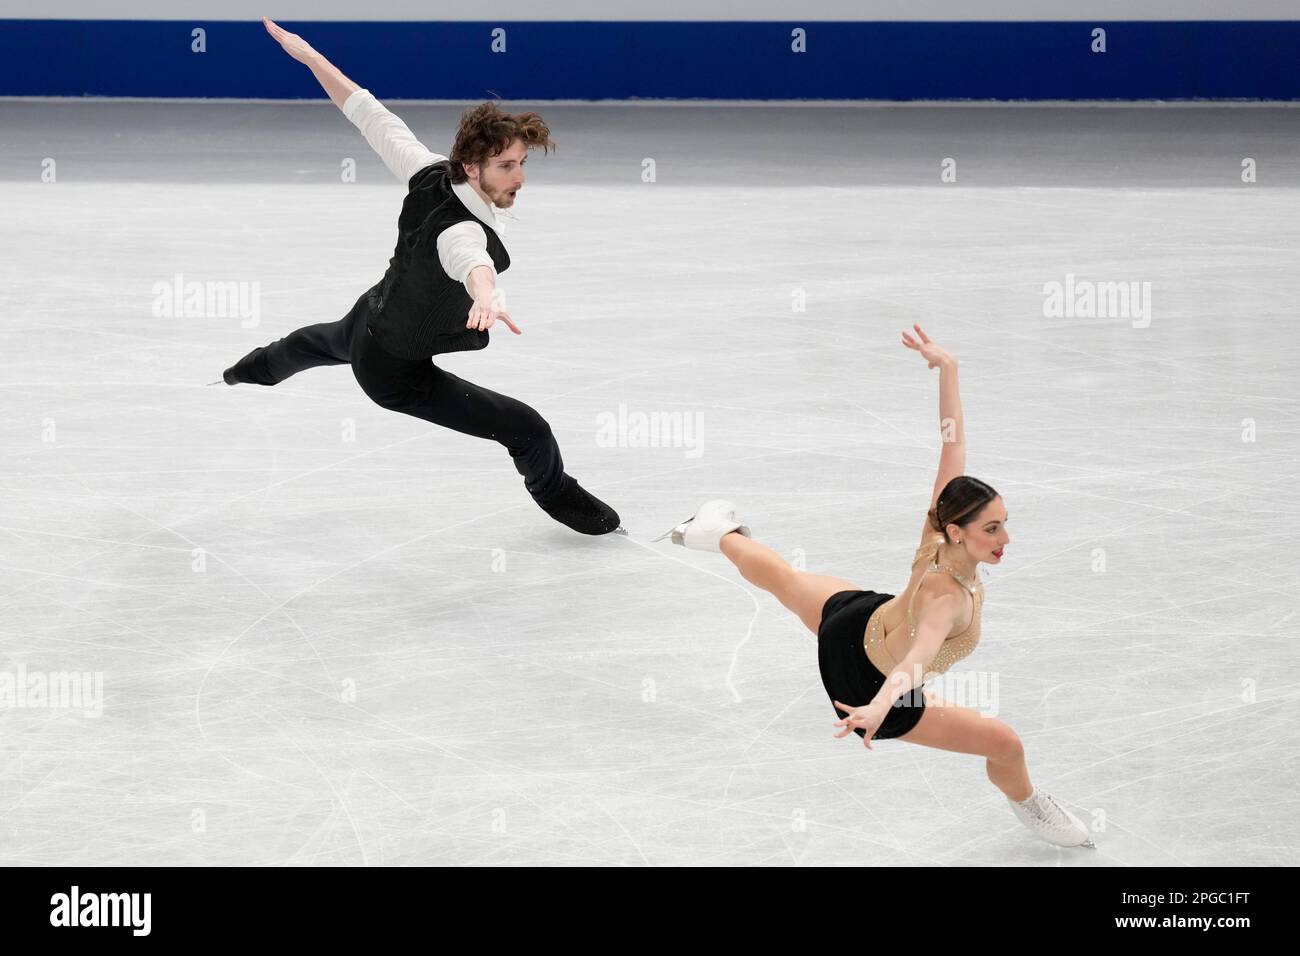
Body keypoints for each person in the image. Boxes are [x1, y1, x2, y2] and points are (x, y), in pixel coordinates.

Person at [656, 325, 1095, 848]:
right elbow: (915, 662)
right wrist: (878, 708)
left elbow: (951, 441)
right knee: (1004, 744)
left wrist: (948, 368)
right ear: (959, 531)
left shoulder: (939, 523)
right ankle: (1031, 806)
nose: (1006, 539)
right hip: (867, 687)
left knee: (785, 578)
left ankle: (713, 532)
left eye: (1003, 524)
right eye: (992, 530)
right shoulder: (945, 597)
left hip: (860, 621)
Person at [218, 18, 622, 536]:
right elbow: (469, 258)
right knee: (529, 430)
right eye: (505, 166)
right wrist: (487, 294)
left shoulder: (426, 168)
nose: (519, 177)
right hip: (395, 373)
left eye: (521, 163)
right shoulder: (462, 231)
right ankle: (568, 502)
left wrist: (310, 57)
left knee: (313, 343)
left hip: (372, 315)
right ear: (471, 168)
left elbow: (367, 113)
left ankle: (243, 372)